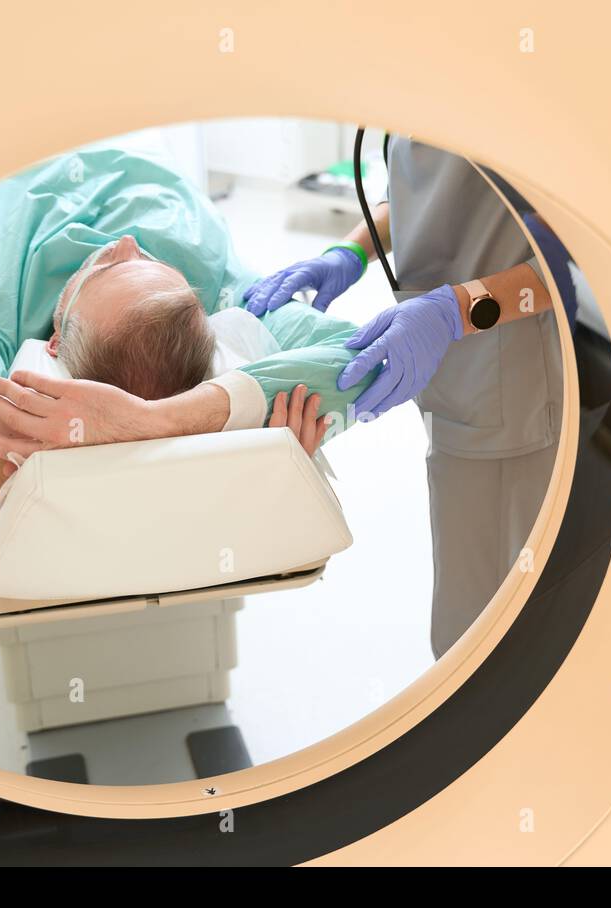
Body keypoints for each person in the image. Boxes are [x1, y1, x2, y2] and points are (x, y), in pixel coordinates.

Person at [0, 148, 377, 500]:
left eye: (108, 269)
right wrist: (234, 437)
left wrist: (113, 439)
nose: (125, 243)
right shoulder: (218, 287)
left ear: (55, 342)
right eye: (145, 262)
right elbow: (365, 357)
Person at [242, 137, 565, 658]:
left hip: (512, 386)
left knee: (496, 637)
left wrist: (457, 310)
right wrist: (350, 251)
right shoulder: (412, 83)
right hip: (457, 383)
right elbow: (419, 192)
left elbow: (578, 255)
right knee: (466, 634)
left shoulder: (515, 84)